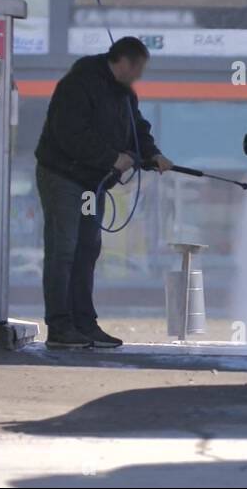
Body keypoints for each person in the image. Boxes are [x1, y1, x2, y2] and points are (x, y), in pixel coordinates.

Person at [34, 37, 173, 350]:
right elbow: (70, 134)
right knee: (64, 248)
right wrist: (111, 159)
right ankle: (59, 326)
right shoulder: (79, 83)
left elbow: (138, 129)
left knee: (87, 248)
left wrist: (152, 155)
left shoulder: (123, 93)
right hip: (63, 178)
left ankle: (84, 323)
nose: (139, 76)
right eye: (138, 69)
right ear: (124, 61)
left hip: (88, 186)